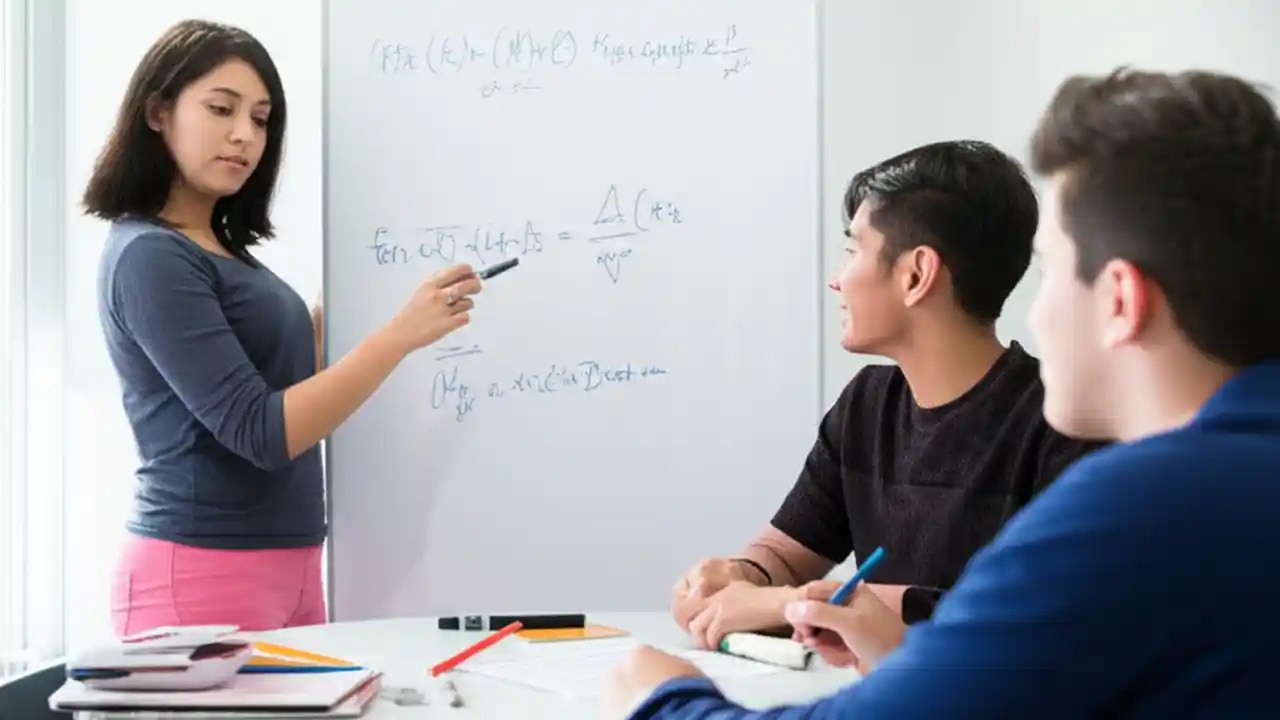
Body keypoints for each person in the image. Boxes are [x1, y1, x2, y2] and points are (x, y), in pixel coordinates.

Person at [610, 66, 1280, 718]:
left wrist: (660, 698)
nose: (1037, 311)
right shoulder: (1233, 481)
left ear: (1120, 300)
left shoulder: (1132, 506)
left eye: (1052, 271)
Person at [86, 19, 482, 635]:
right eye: (222, 109)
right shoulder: (150, 256)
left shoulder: (217, 248)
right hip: (200, 573)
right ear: (158, 111)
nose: (245, 135)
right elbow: (260, 431)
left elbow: (279, 376)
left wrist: (338, 316)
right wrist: (402, 333)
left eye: (262, 119)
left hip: (290, 564)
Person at [671, 140, 1099, 650]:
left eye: (852, 250)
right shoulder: (867, 405)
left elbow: (999, 613)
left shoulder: (1063, 423)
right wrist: (738, 577)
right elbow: (786, 552)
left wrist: (784, 604)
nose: (837, 280)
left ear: (917, 275)